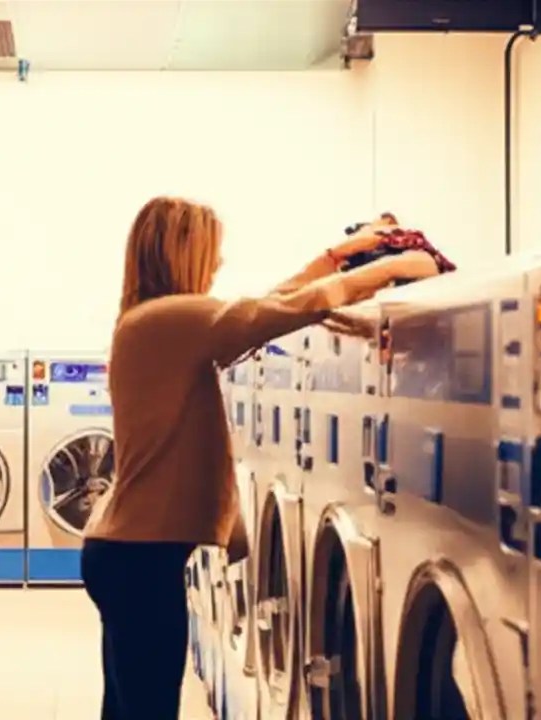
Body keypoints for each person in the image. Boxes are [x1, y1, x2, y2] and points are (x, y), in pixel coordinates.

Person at [80, 196, 442, 719]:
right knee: (148, 709)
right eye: (212, 250)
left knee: (128, 707)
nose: (218, 261)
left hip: (127, 553)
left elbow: (267, 304)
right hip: (138, 560)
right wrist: (395, 267)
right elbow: (275, 312)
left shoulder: (153, 319)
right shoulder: (169, 318)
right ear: (181, 252)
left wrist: (338, 256)